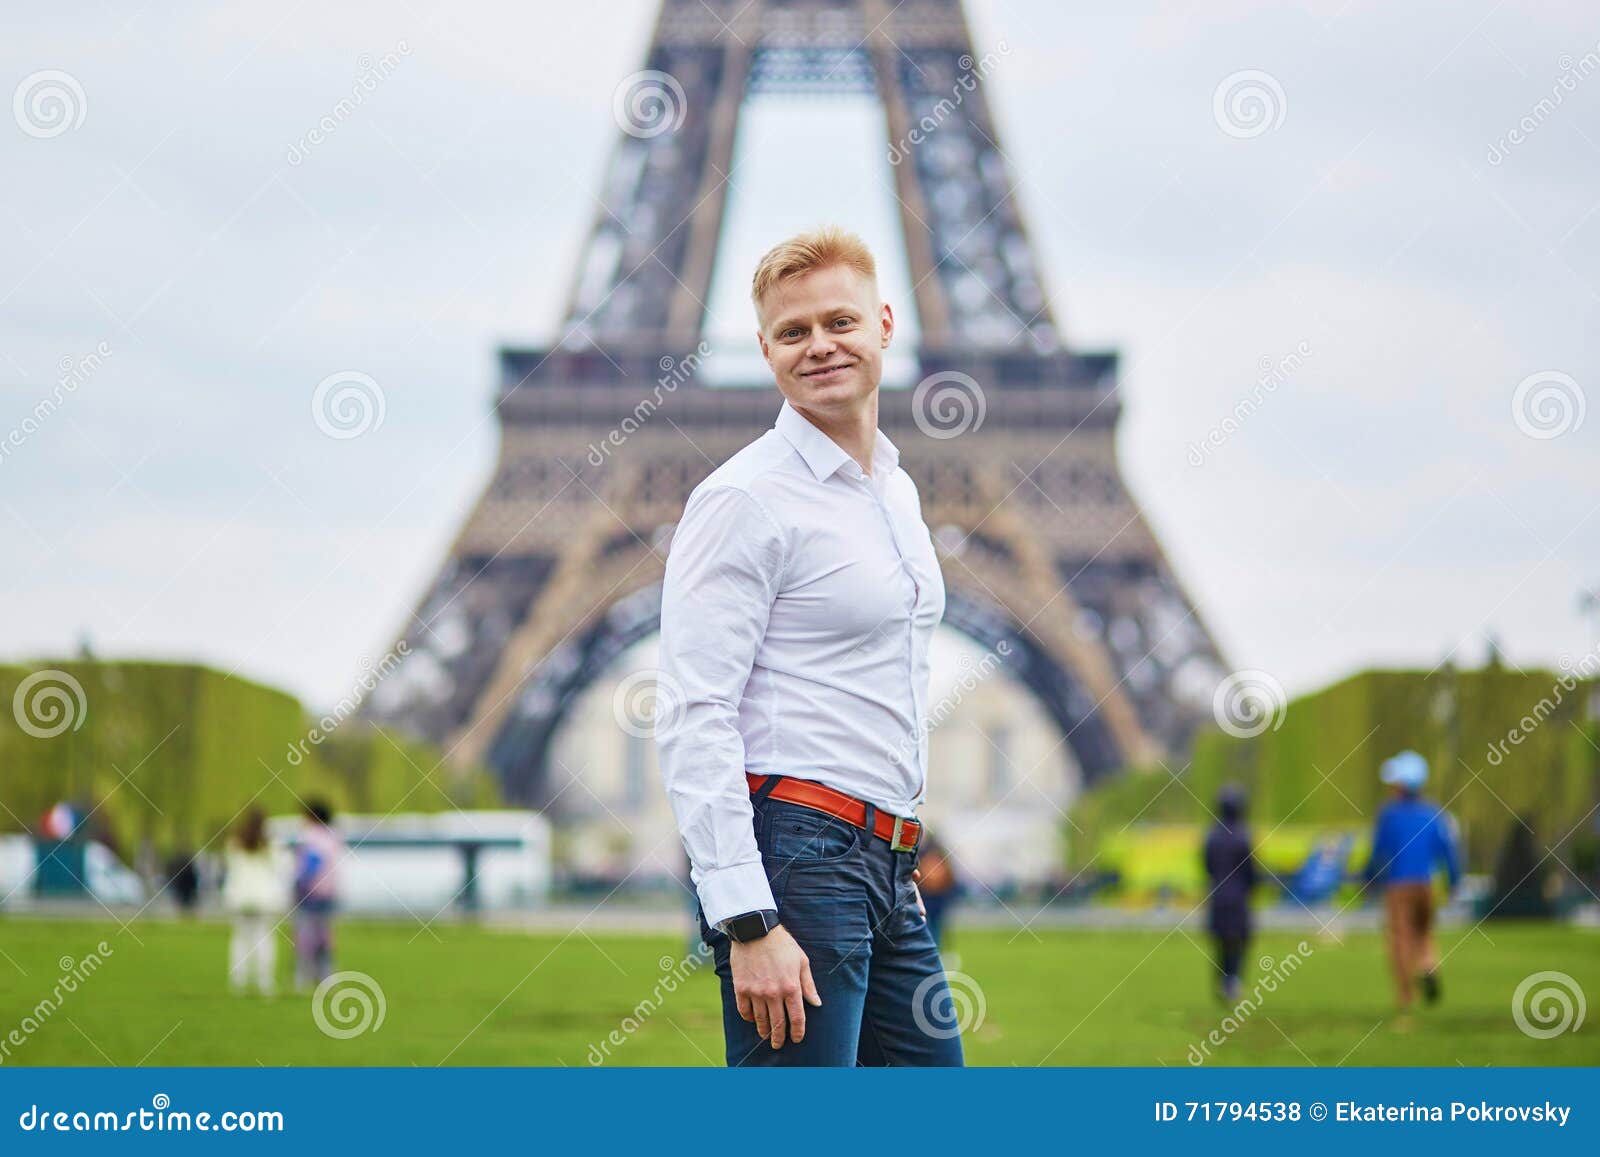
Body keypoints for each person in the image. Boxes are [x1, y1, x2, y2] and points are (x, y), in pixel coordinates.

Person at [656, 226, 961, 1066]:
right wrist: (748, 917)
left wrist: (895, 864)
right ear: (765, 349)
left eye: (840, 322)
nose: (820, 345)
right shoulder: (743, 499)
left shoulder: (894, 493)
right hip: (798, 859)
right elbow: (694, 709)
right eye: (794, 332)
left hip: (887, 868)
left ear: (886, 324)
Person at [1360, 750, 1462, 1014]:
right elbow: (1448, 852)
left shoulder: (1389, 815)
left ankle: (1406, 997)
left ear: (1403, 785)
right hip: (1427, 886)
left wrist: (1368, 879)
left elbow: (1378, 852)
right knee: (1424, 933)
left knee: (1400, 941)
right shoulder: (1433, 814)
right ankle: (1429, 966)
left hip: (1399, 887)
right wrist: (1453, 882)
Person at [1201, 784, 1258, 1003]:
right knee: (1239, 941)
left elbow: (1206, 865)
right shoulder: (1243, 837)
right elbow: (1250, 871)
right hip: (1238, 898)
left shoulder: (1212, 836)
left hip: (1217, 895)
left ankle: (1222, 981)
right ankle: (1233, 980)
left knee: (1221, 942)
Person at [222, 807, 286, 995]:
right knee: (264, 938)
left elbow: (231, 866)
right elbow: (280, 867)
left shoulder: (235, 843)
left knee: (241, 938)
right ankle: (264, 981)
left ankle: (238, 980)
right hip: (263, 897)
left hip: (240, 896)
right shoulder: (271, 844)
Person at [292, 798, 344, 991]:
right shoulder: (334, 837)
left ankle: (303, 979)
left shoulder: (310, 837)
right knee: (326, 938)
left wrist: (298, 884)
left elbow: (310, 866)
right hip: (329, 894)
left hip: (310, 894)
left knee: (305, 938)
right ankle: (327, 978)